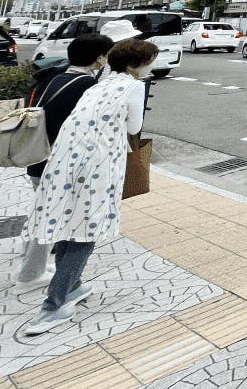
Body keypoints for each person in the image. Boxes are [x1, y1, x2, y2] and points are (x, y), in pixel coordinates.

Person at [22, 28, 152, 335]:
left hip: (64, 162)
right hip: (98, 166)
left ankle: (75, 286)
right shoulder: (133, 87)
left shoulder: (97, 85)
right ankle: (53, 306)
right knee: (86, 232)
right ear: (137, 64)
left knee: (70, 223)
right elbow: (134, 125)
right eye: (149, 61)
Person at [15, 32, 115, 289]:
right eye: (107, 55)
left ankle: (31, 262)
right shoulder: (86, 87)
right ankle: (30, 274)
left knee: (42, 211)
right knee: (51, 218)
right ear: (100, 58)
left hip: (36, 156)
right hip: (58, 163)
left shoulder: (52, 77)